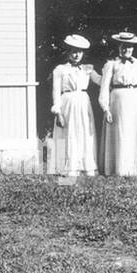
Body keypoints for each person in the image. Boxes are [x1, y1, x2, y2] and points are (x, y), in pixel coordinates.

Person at [98, 31, 137, 177]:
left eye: (129, 47)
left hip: (136, 100)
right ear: (119, 47)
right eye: (123, 46)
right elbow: (105, 87)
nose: (126, 50)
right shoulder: (111, 64)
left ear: (133, 48)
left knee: (136, 133)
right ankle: (119, 169)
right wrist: (106, 108)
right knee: (121, 133)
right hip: (117, 101)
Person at [51, 34, 100, 177]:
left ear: (83, 53)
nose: (76, 54)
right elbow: (56, 92)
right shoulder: (60, 69)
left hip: (83, 103)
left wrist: (112, 69)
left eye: (79, 51)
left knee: (85, 132)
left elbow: (101, 81)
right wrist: (58, 112)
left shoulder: (87, 69)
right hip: (67, 103)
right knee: (70, 133)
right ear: (68, 52)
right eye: (73, 51)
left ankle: (87, 167)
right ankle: (69, 168)